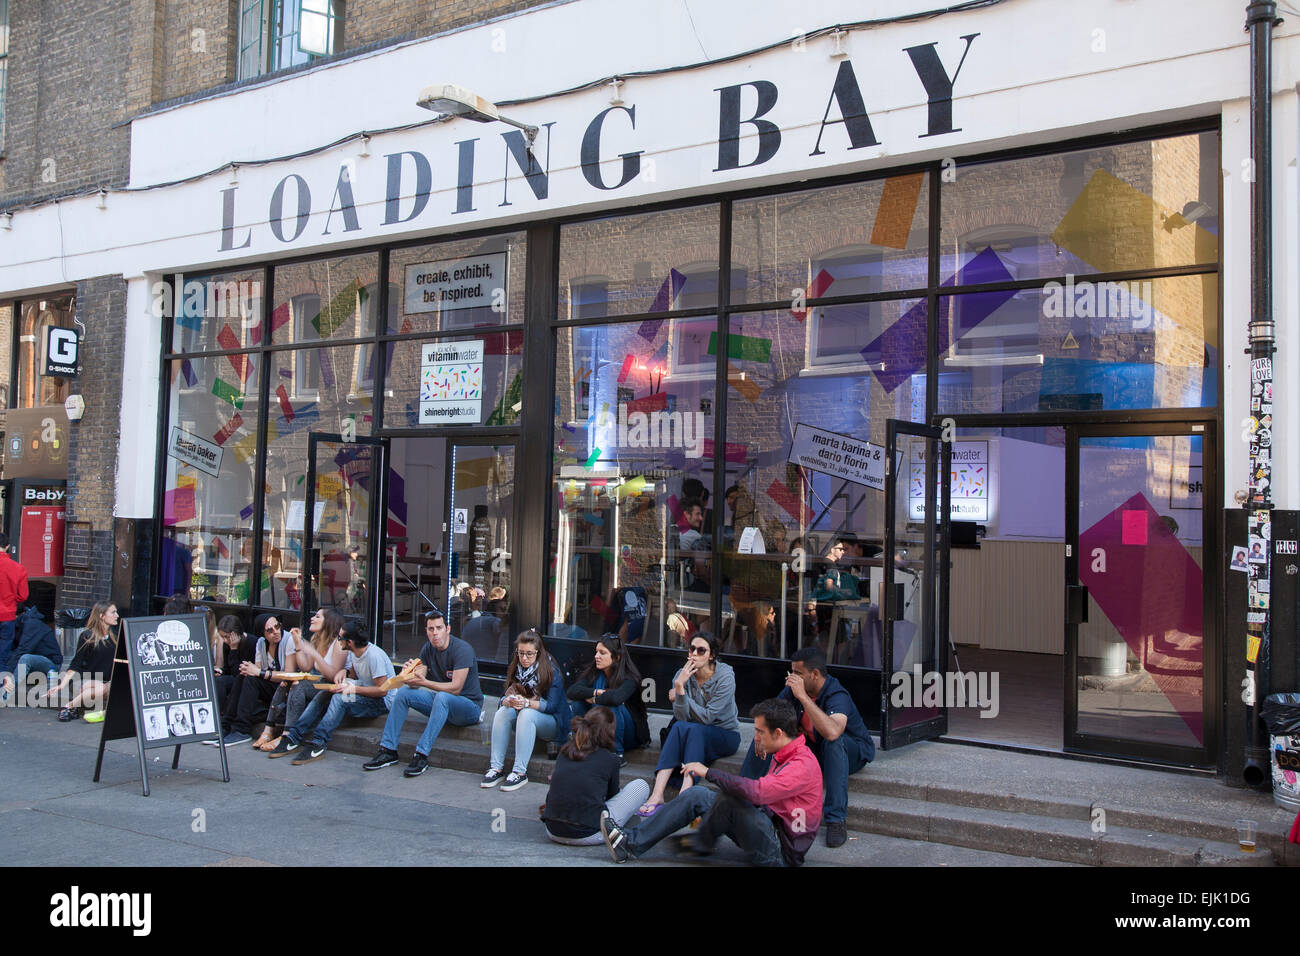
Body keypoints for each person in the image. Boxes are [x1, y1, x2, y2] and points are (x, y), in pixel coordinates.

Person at [602, 698, 823, 866]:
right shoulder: (785, 751)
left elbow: (757, 793)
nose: (755, 738)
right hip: (769, 827)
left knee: (730, 798)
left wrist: (708, 772)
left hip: (781, 853)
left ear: (778, 733)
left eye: (759, 732)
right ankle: (628, 842)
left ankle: (701, 844)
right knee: (697, 795)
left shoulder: (800, 765)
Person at [740, 646, 874, 848]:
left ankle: (836, 819)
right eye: (791, 672)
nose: (792, 678)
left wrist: (803, 697)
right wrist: (760, 735)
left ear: (815, 674)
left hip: (851, 753)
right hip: (815, 750)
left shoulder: (837, 694)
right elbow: (770, 714)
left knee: (834, 741)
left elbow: (832, 731)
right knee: (767, 733)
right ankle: (743, 797)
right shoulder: (792, 690)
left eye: (797, 673)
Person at [362, 608, 482, 777]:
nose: (435, 633)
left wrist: (424, 682)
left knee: (442, 697)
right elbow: (417, 683)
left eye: (439, 628)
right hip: (443, 705)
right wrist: (408, 674)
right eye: (431, 629)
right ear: (426, 631)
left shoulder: (462, 649)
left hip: (468, 709)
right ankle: (388, 750)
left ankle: (421, 755)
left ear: (448, 629)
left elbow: (456, 688)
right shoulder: (427, 649)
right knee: (403, 694)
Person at [269, 617, 394, 764]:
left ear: (350, 642)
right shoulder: (354, 652)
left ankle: (318, 742)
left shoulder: (374, 656)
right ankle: (293, 737)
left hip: (382, 702)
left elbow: (382, 690)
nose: (337, 640)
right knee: (326, 693)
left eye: (340, 638)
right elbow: (354, 675)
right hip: (364, 692)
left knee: (339, 698)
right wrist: (345, 673)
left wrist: (352, 688)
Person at [639, 632, 739, 815]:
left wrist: (681, 696)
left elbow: (709, 717)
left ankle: (685, 793)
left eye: (701, 650)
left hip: (724, 733)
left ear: (712, 655)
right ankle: (657, 794)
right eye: (692, 649)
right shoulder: (681, 676)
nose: (695, 654)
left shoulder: (725, 676)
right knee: (681, 726)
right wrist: (679, 687)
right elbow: (682, 717)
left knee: (695, 729)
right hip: (693, 732)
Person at [541, 706, 651, 845]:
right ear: (609, 731)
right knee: (641, 785)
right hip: (588, 834)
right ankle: (620, 830)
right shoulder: (611, 759)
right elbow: (611, 796)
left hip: (552, 831)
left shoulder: (565, 751)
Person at [480, 629, 570, 791]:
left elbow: (552, 706)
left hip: (553, 724)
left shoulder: (551, 670)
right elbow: (503, 695)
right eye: (521, 653)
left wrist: (527, 703)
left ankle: (520, 773)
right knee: (503, 712)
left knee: (527, 713)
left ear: (538, 652)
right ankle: (496, 768)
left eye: (529, 654)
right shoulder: (516, 667)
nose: (524, 658)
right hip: (525, 720)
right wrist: (506, 700)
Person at [566, 634, 649, 761]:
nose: (596, 656)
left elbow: (616, 698)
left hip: (629, 734)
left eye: (602, 653)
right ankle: (581, 744)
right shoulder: (595, 672)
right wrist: (595, 692)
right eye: (596, 652)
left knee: (612, 706)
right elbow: (572, 691)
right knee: (578, 704)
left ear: (617, 657)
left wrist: (594, 699)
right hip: (602, 730)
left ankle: (616, 754)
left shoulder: (630, 677)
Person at [275, 605, 347, 750]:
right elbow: (306, 667)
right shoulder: (316, 639)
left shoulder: (338, 644)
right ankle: (269, 729)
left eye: (317, 617)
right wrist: (297, 644)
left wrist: (314, 654)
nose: (312, 618)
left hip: (329, 686)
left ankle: (288, 733)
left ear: (329, 622)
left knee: (298, 685)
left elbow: (333, 675)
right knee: (287, 683)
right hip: (315, 682)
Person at [223, 613, 298, 745]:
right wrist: (250, 670)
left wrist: (260, 672)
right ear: (262, 633)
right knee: (244, 676)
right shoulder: (260, 643)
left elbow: (289, 674)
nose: (276, 632)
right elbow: (257, 673)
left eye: (277, 626)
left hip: (286, 689)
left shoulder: (289, 640)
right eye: (270, 630)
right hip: (271, 688)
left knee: (252, 678)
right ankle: (226, 724)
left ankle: (242, 729)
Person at [47, 602, 119, 721]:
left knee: (107, 687)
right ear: (101, 616)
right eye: (113, 612)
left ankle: (70, 706)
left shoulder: (115, 636)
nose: (117, 615)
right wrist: (61, 685)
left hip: (106, 682)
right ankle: (71, 706)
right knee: (99, 688)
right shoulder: (87, 636)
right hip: (84, 680)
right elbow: (76, 663)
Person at [2, 604, 63, 701]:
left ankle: (5, 694)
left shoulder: (32, 624)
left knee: (25, 658)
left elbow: (22, 650)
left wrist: (7, 675)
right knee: (6, 654)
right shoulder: (20, 625)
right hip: (35, 665)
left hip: (51, 664)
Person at [210, 615, 257, 740]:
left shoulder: (252, 642)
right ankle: (218, 720)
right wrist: (220, 671)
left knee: (237, 680)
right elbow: (228, 668)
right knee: (218, 681)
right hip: (233, 677)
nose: (225, 640)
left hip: (245, 679)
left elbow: (239, 673)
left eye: (227, 636)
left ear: (236, 633)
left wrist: (234, 649)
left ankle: (228, 723)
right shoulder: (227, 645)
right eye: (223, 637)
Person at [0, 533, 31, 667]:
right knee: (3, 651)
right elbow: (23, 596)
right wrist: (12, 599)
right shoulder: (18, 568)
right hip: (7, 615)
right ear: (7, 546)